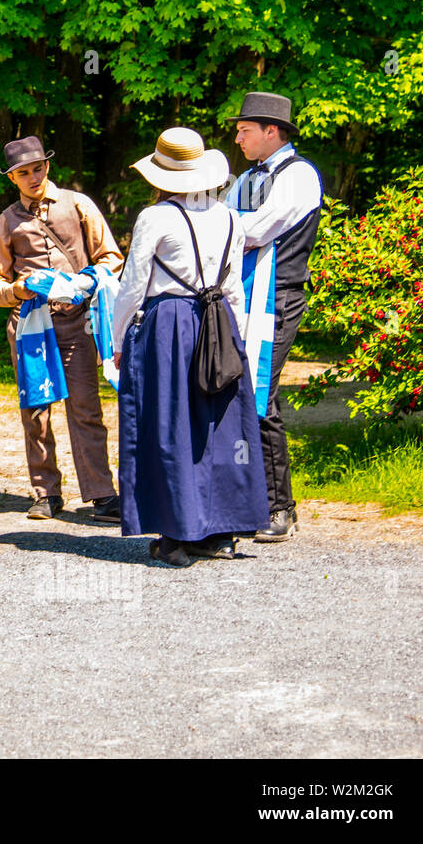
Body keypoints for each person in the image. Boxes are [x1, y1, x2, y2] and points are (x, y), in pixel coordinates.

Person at [112, 127, 269, 566]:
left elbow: (133, 286)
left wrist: (120, 336)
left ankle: (179, 535)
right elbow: (233, 287)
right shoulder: (230, 217)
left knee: (169, 425)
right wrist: (233, 341)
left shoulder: (155, 218)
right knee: (215, 427)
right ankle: (217, 530)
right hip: (218, 323)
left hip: (169, 326)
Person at [0, 136, 124, 522]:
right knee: (36, 411)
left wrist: (87, 280)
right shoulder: (6, 221)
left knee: (85, 408)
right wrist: (16, 288)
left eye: (38, 168)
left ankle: (100, 493)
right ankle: (46, 492)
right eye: (23, 173)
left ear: (48, 165)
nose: (33, 177)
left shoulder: (78, 205)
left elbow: (112, 257)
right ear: (12, 177)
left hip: (77, 322)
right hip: (30, 325)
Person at [224, 92, 324, 542]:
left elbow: (256, 229)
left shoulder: (299, 175)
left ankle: (279, 506)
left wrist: (218, 232)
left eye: (245, 129)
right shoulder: (244, 178)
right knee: (238, 390)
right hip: (237, 295)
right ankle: (248, 498)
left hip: (276, 296)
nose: (238, 136)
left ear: (272, 130)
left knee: (260, 391)